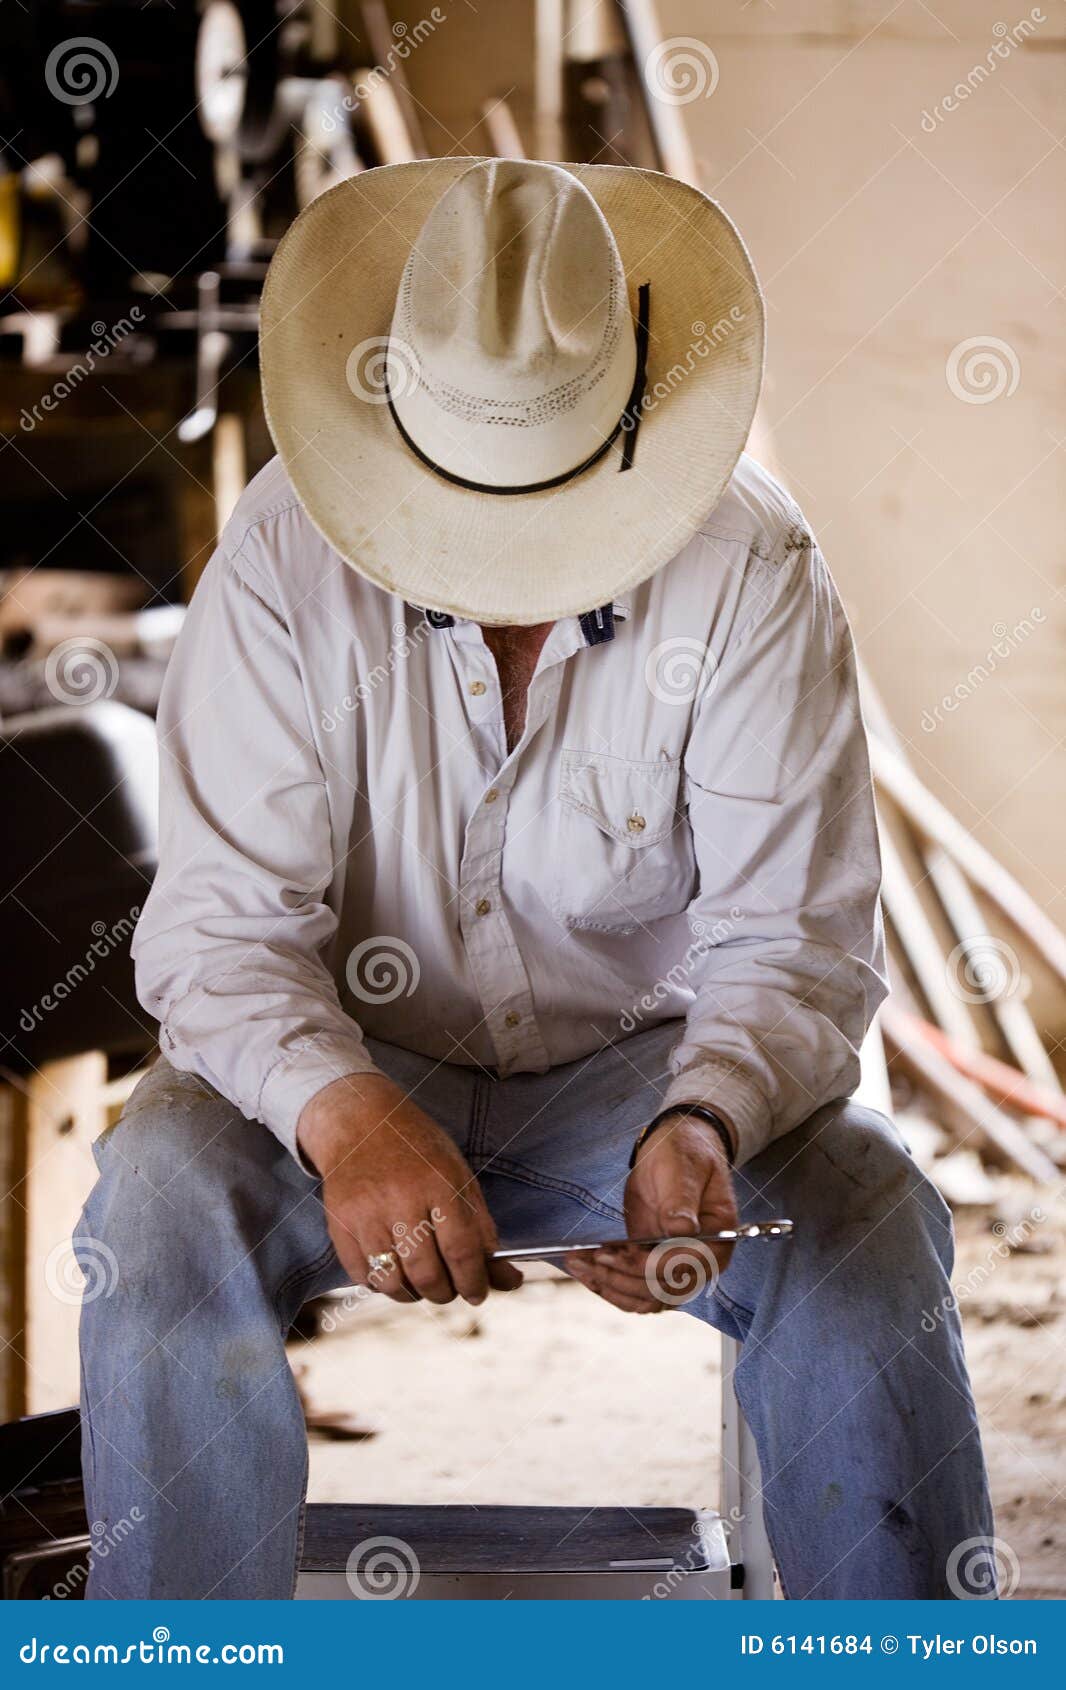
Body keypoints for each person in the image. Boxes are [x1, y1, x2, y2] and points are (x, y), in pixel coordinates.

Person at [78, 157, 992, 1598]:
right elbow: (220, 932)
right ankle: (185, 1662)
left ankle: (893, 1660)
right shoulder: (278, 557)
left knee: (870, 1216)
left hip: (645, 1073)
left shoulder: (752, 564)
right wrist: (347, 1113)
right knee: (154, 1199)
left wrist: (705, 1118)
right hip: (348, 1063)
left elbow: (791, 938)